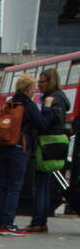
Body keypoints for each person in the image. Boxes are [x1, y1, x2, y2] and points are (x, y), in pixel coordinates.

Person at [0, 73, 46, 235]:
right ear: (28, 88)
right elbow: (41, 124)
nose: (34, 90)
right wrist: (49, 109)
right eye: (33, 88)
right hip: (18, 148)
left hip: (3, 147)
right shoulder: (28, 105)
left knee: (3, 186)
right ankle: (8, 224)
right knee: (14, 187)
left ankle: (1, 222)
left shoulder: (10, 103)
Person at [21, 67, 71, 234]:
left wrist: (46, 109)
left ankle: (38, 221)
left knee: (40, 186)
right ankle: (40, 220)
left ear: (50, 81)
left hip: (46, 145)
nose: (39, 85)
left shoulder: (53, 99)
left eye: (42, 82)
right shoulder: (59, 98)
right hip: (53, 144)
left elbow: (45, 122)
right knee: (44, 184)